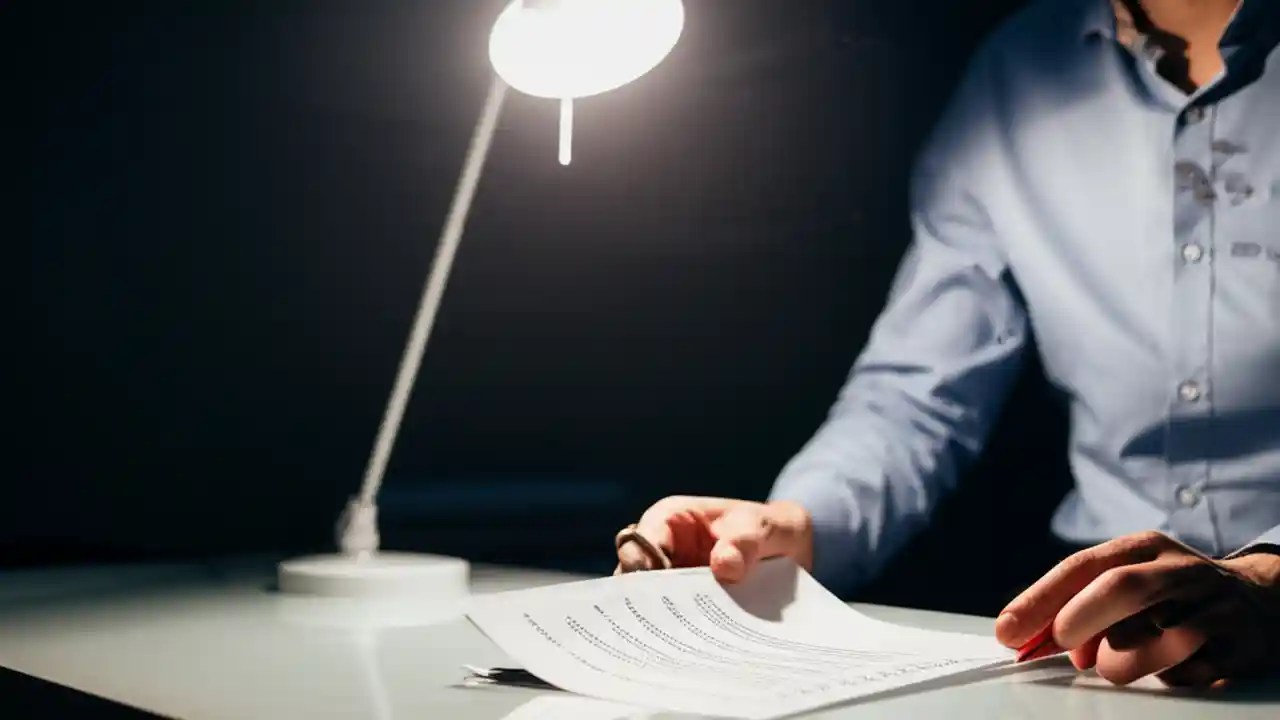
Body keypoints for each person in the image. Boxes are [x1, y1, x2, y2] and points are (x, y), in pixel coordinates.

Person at [614, 0, 1280, 688]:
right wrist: (791, 526)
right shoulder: (1020, 69)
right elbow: (918, 394)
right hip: (1101, 654)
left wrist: (1265, 577)